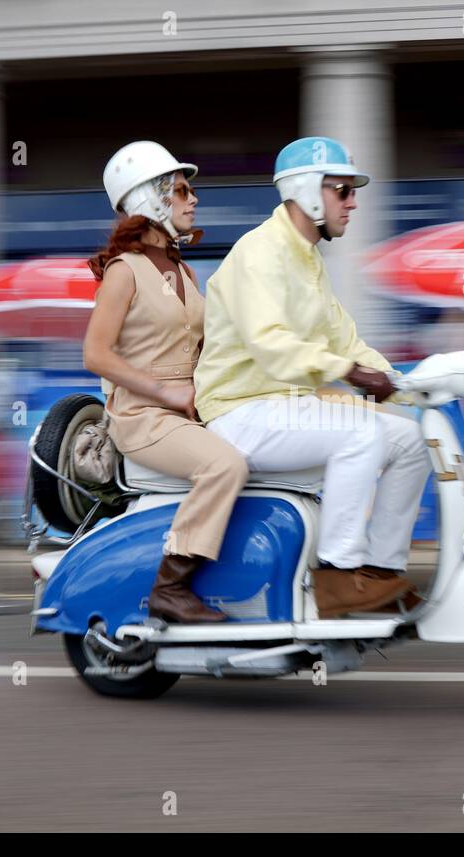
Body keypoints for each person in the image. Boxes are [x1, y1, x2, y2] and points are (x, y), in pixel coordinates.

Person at [194, 137, 431, 619]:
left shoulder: (308, 259)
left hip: (286, 408)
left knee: (412, 439)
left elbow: (345, 342)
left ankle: (379, 571)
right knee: (360, 434)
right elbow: (272, 346)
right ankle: (338, 575)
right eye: (342, 190)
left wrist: (411, 386)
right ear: (305, 191)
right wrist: (351, 372)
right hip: (240, 412)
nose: (354, 202)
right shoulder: (259, 254)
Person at [83, 141, 249, 623]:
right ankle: (170, 586)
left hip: (186, 413)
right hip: (141, 417)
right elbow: (95, 354)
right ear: (151, 200)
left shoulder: (183, 270)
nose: (193, 199)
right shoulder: (124, 272)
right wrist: (169, 393)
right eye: (181, 190)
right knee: (224, 467)